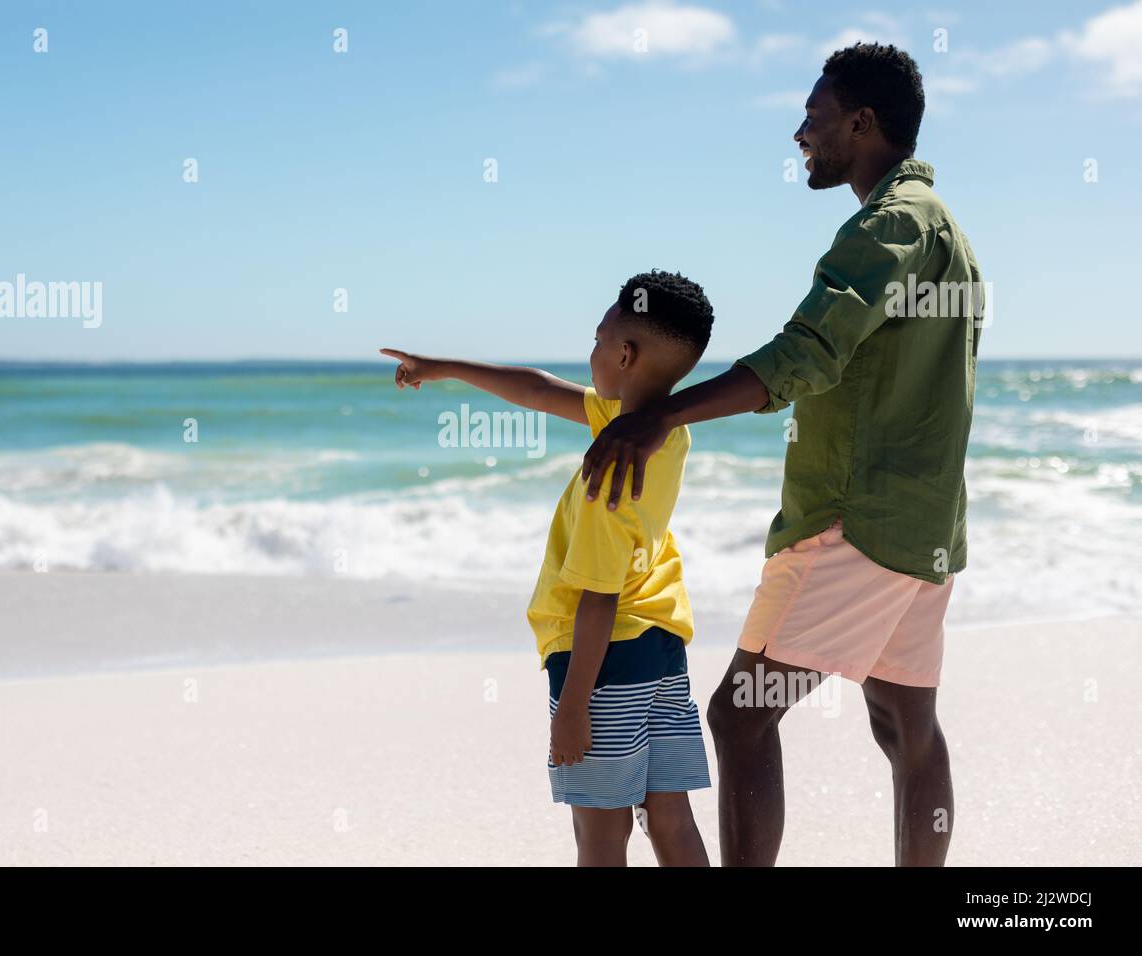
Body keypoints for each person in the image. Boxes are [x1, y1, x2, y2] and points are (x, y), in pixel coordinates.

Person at [579, 44, 983, 867]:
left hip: (854, 522)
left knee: (740, 713)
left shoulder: (890, 226)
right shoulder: (950, 234)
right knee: (908, 726)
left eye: (815, 115)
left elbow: (809, 352)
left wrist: (661, 417)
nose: (801, 132)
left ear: (862, 122)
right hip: (925, 530)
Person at [381, 270, 716, 866]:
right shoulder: (664, 428)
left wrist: (574, 707)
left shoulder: (611, 464)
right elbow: (537, 391)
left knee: (601, 831)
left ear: (625, 353)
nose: (589, 353)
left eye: (596, 339)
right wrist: (446, 367)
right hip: (662, 644)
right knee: (670, 817)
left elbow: (598, 596)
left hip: (602, 659)